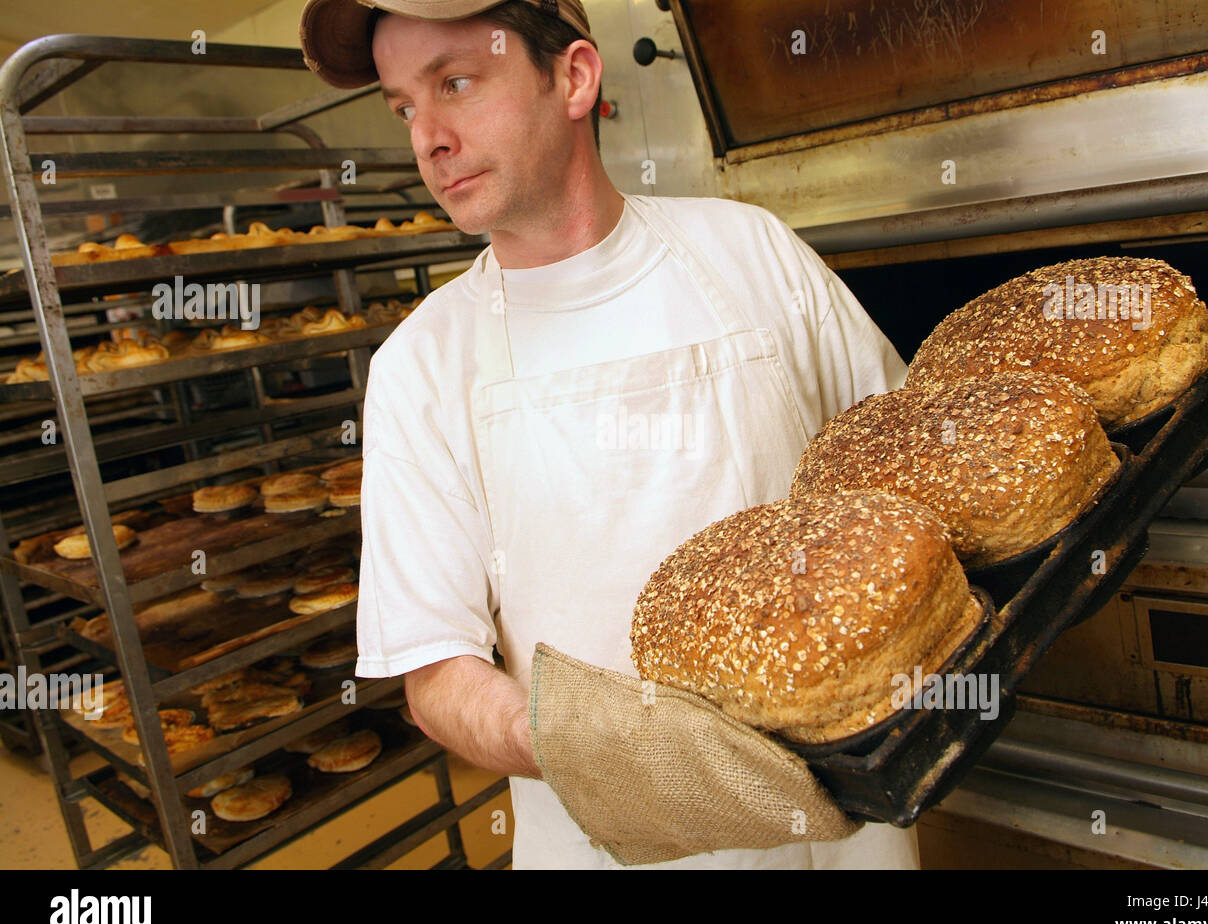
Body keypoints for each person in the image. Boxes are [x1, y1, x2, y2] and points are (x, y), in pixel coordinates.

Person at [300, 0, 915, 868]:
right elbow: (435, 672)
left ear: (575, 77)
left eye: (457, 83)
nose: (427, 138)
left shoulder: (753, 253)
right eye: (405, 106)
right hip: (602, 847)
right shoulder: (421, 367)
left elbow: (899, 475)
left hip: (849, 826)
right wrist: (592, 745)